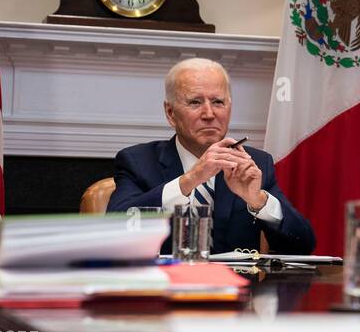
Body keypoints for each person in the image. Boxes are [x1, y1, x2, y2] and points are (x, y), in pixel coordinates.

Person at [108, 58, 316, 254]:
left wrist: (259, 201)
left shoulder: (255, 163)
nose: (209, 114)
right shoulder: (138, 161)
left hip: (235, 281)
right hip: (166, 280)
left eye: (217, 102)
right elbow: (114, 230)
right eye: (195, 102)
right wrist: (189, 181)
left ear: (229, 108)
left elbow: (302, 245)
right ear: (170, 113)